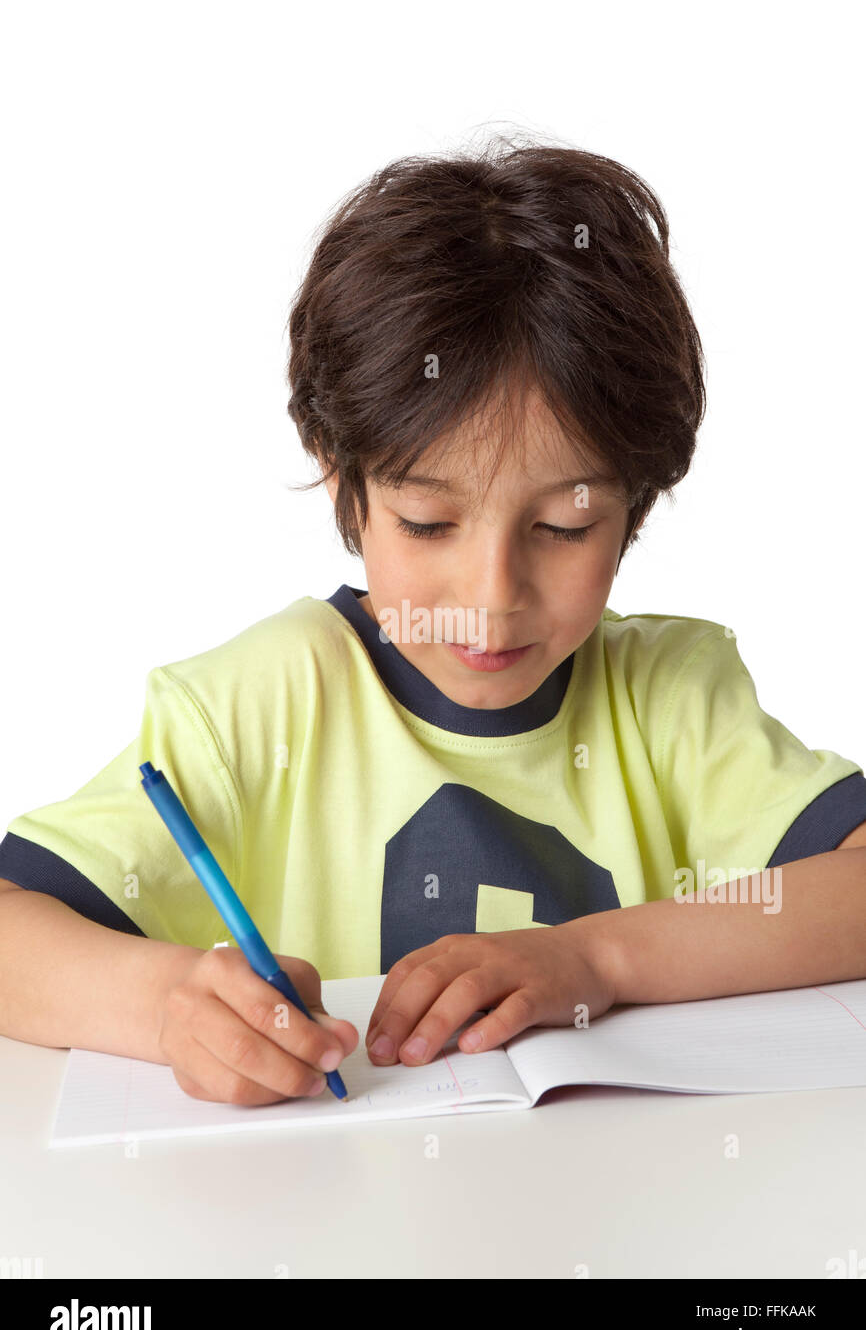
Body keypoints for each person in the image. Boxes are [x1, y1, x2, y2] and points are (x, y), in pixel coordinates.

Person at [2, 136, 864, 1106]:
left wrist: (595, 961)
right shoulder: (258, 706)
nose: (490, 596)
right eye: (426, 521)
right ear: (340, 472)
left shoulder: (669, 701)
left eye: (562, 525)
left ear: (637, 502)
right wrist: (166, 1006)